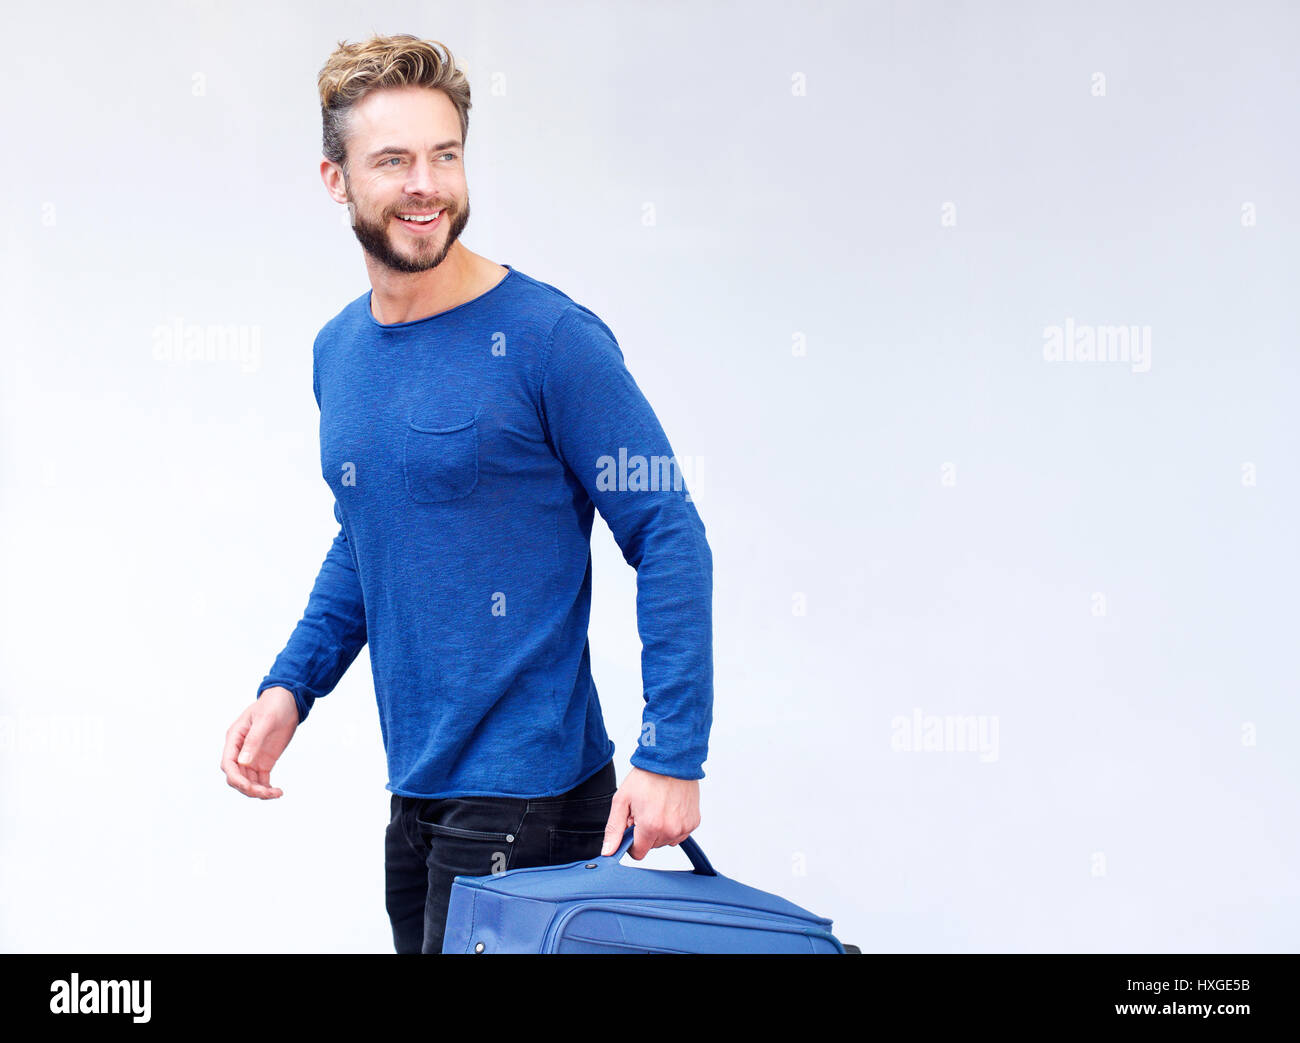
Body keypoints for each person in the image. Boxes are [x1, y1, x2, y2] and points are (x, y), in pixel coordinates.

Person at [219, 33, 714, 954]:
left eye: (444, 155)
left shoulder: (549, 338)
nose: (427, 184)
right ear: (335, 180)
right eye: (394, 159)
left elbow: (668, 529)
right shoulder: (340, 352)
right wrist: (294, 682)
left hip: (534, 803)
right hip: (416, 797)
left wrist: (671, 750)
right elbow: (368, 538)